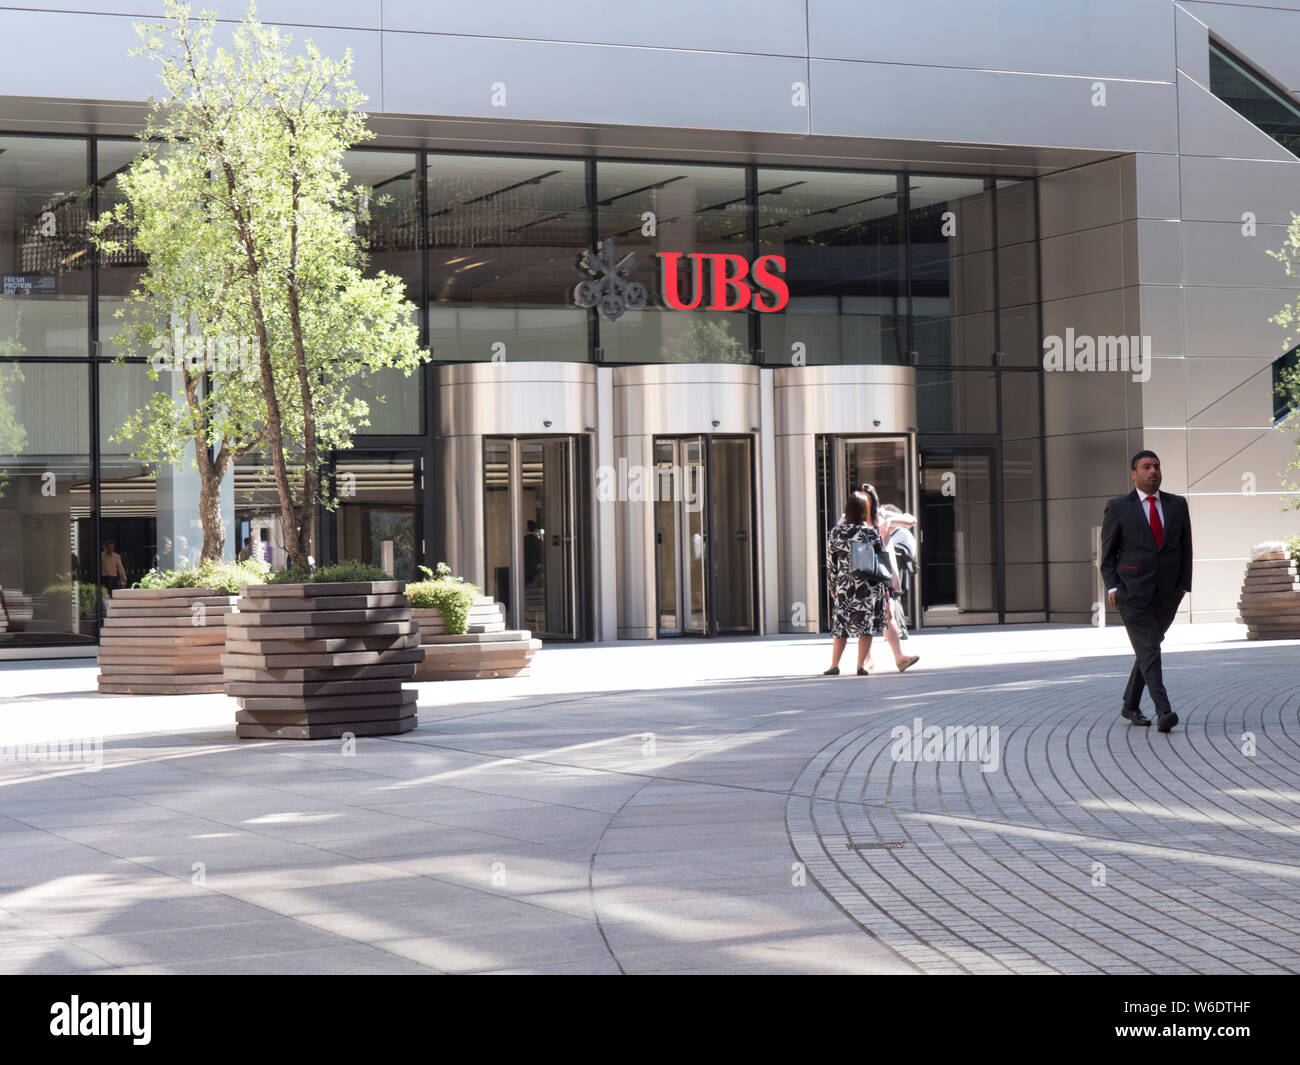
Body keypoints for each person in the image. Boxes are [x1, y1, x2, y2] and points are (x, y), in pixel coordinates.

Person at [1100, 450, 1193, 733]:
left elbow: (1186, 548)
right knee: (1150, 649)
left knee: (1147, 650)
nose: (1153, 472)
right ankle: (1164, 710)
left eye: (1156, 466)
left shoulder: (1177, 505)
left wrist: (1183, 586)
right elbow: (1108, 553)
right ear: (1134, 474)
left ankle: (1130, 704)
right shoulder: (1118, 507)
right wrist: (1113, 586)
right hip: (1132, 592)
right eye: (1146, 467)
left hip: (1167, 593)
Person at [824, 486, 919, 676]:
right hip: (868, 586)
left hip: (844, 585)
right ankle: (861, 665)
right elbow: (879, 562)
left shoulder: (836, 532)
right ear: (865, 510)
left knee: (840, 627)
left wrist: (832, 585)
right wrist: (885, 588)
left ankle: (834, 665)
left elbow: (830, 562)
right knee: (865, 627)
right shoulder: (870, 532)